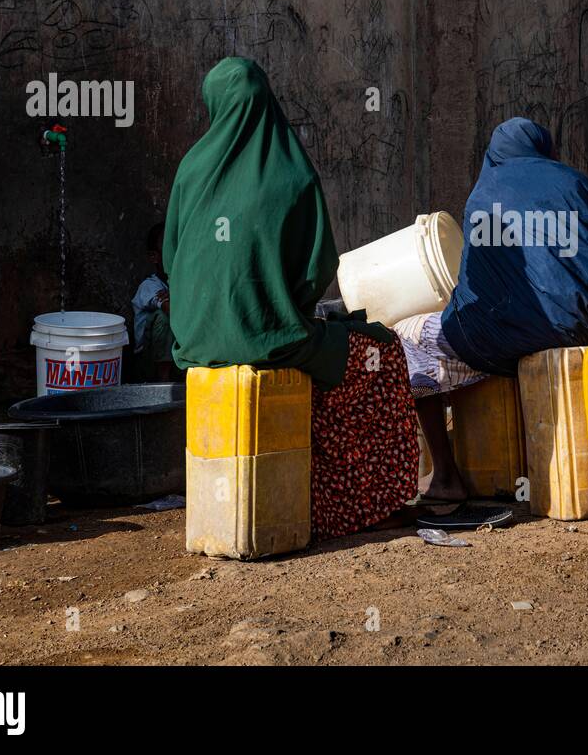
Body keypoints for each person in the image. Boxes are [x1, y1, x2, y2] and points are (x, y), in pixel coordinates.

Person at [162, 57, 421, 541]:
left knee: (329, 357)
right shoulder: (290, 172)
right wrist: (287, 308)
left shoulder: (190, 168)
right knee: (379, 355)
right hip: (272, 338)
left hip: (194, 341)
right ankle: (361, 505)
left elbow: (171, 257)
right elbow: (318, 269)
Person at [396, 117, 588, 498]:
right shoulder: (572, 182)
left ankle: (446, 476)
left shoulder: (484, 194)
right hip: (578, 327)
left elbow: (475, 282)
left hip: (499, 338)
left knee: (408, 337)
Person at [131, 223, 176, 382]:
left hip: (175, 357)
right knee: (164, 317)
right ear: (154, 257)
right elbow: (171, 309)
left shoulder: (178, 286)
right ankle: (163, 382)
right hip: (148, 362)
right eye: (168, 249)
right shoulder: (149, 286)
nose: (175, 254)